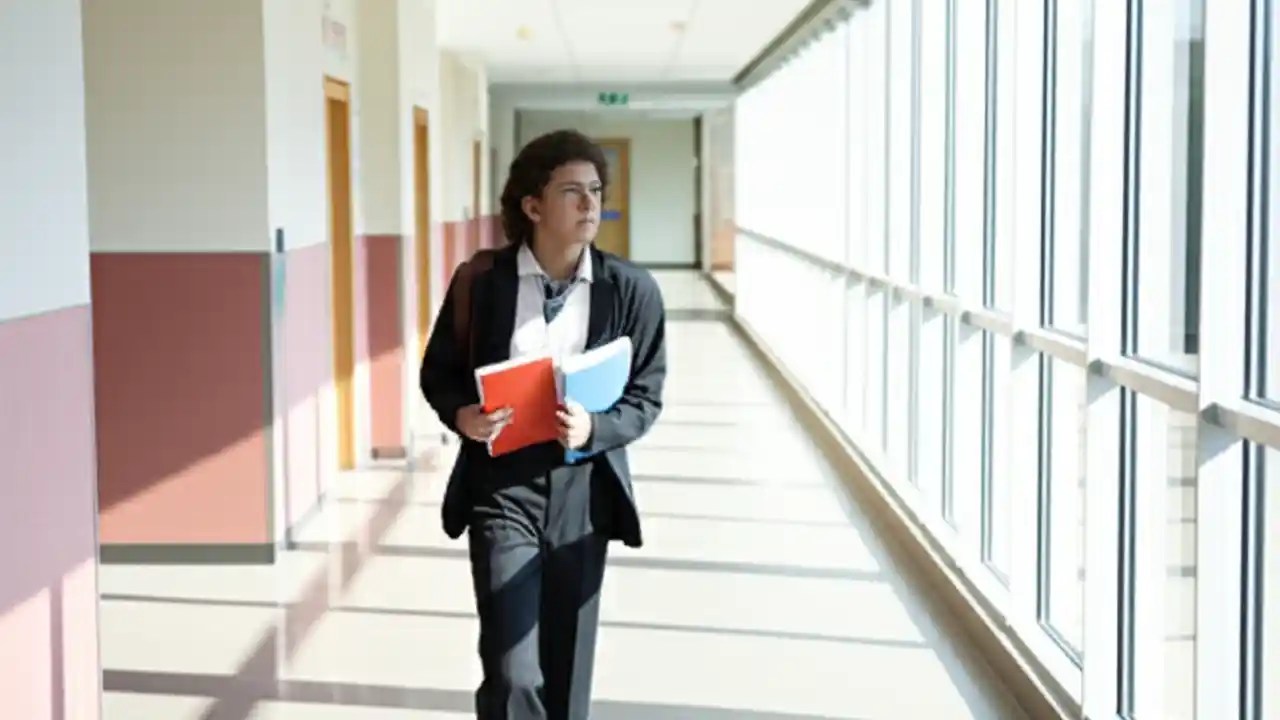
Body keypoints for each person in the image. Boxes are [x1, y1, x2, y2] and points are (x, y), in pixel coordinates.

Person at [419, 129, 667, 719]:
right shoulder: (482, 283)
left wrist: (595, 429)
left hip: (584, 491)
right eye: (571, 191)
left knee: (567, 669)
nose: (589, 205)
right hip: (502, 488)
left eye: (595, 191)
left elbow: (645, 397)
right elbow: (439, 372)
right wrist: (463, 415)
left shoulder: (630, 290)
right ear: (532, 206)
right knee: (513, 670)